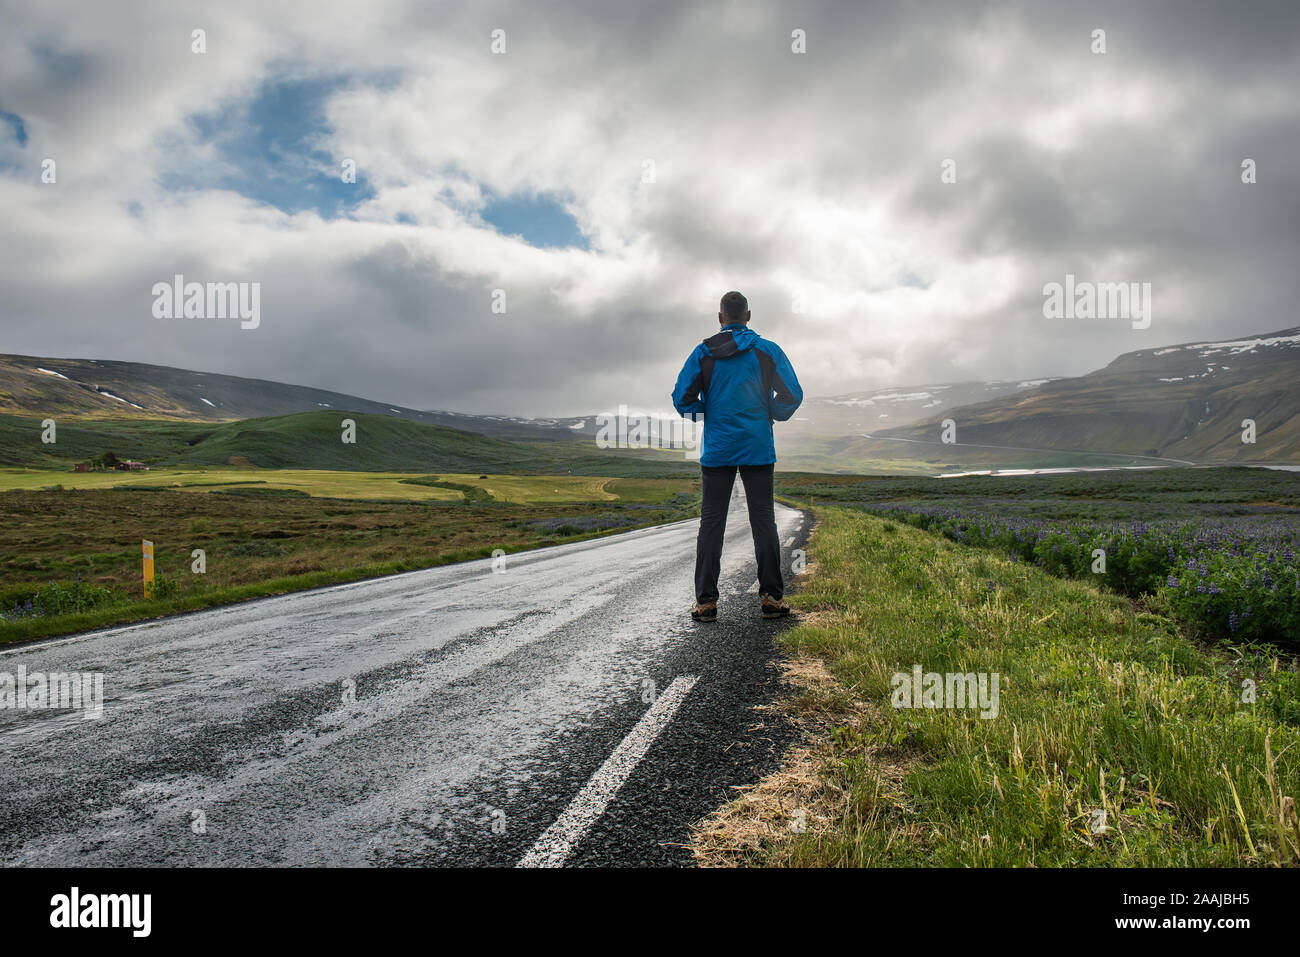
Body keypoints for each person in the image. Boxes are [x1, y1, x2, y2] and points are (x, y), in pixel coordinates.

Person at [671, 291, 803, 622]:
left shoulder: (703, 352)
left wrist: (710, 408)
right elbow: (793, 394)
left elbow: (682, 399)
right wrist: (768, 412)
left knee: (712, 523)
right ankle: (772, 598)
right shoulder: (767, 351)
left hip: (718, 451)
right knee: (763, 521)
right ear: (748, 316)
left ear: (720, 318)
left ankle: (706, 603)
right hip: (758, 447)